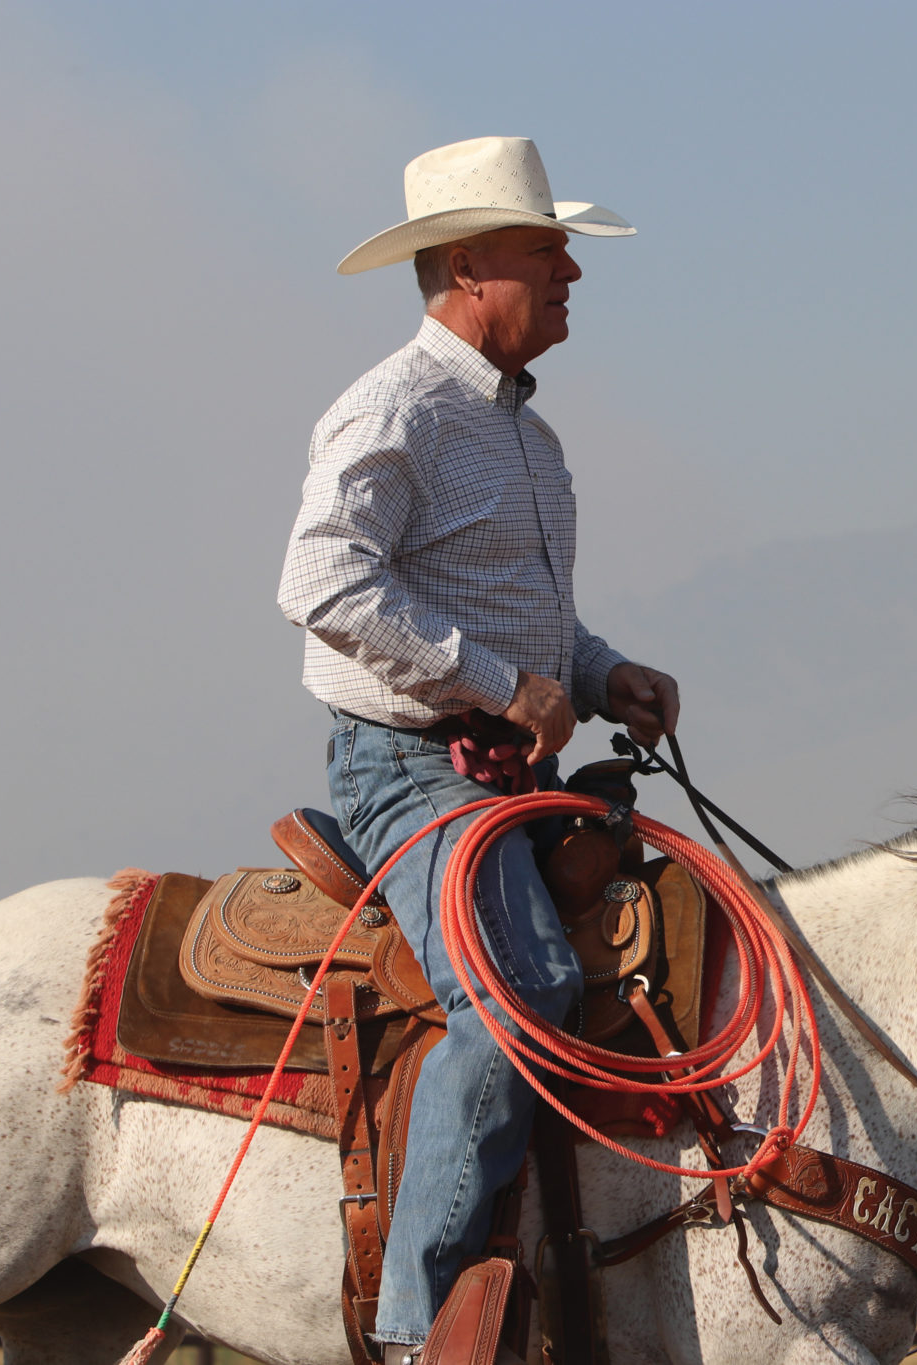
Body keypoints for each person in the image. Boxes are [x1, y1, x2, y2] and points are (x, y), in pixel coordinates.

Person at [277, 135, 678, 1359]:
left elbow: (521, 609)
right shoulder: (396, 407)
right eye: (544, 249)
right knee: (518, 1000)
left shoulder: (523, 435)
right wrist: (504, 686)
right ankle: (417, 1328)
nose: (570, 271)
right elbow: (321, 581)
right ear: (466, 265)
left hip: (509, 770)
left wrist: (601, 671)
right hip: (408, 770)